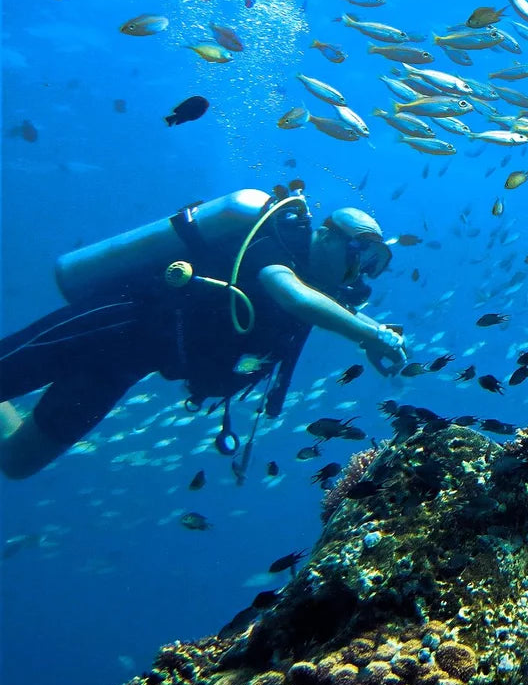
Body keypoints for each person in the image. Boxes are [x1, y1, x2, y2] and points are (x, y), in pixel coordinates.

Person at [0, 189, 408, 479]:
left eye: (372, 267)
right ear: (326, 235)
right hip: (112, 321)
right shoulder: (277, 242)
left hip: (126, 366)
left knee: (19, 461)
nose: (359, 276)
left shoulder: (321, 294)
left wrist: (366, 332)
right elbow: (292, 295)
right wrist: (371, 335)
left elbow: (312, 305)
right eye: (359, 258)